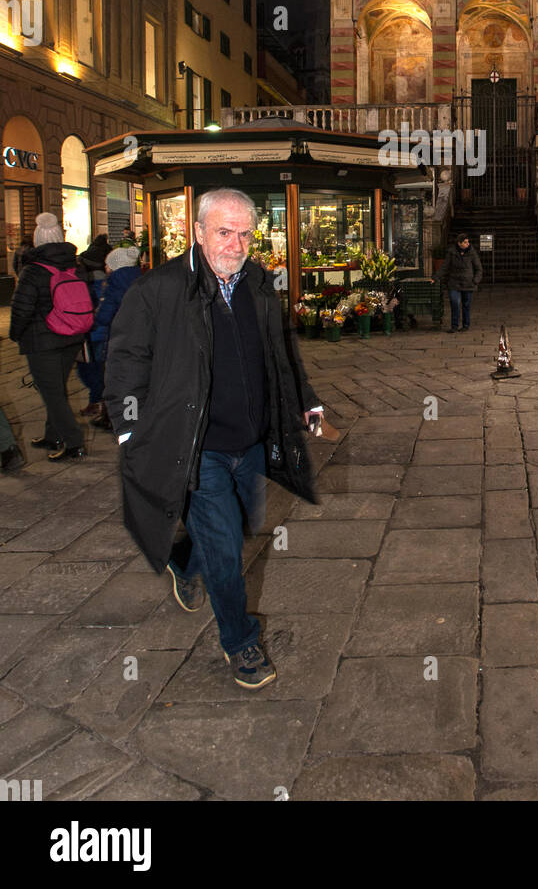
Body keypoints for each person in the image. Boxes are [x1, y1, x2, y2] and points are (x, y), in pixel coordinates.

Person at [104, 187, 323, 691]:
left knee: (240, 526)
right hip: (195, 447)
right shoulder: (157, 290)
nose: (236, 243)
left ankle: (183, 560)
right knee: (225, 550)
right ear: (197, 232)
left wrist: (305, 399)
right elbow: (125, 363)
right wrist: (131, 429)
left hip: (248, 443)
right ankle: (240, 641)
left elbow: (281, 351)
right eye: (225, 232)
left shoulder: (257, 284)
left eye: (245, 233)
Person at [9, 213, 92, 461]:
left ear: (38, 240)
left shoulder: (33, 270)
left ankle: (73, 442)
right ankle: (52, 434)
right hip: (72, 336)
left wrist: (16, 334)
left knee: (52, 393)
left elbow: (21, 308)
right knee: (56, 389)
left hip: (42, 341)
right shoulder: (75, 265)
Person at [84, 244, 143, 427]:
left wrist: (93, 319)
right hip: (139, 340)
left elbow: (105, 315)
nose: (106, 268)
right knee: (133, 382)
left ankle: (118, 418)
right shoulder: (141, 279)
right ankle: (131, 417)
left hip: (117, 340)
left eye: (108, 265)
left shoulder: (115, 283)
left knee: (114, 381)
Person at [437, 232, 483, 332]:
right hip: (454, 283)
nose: (468, 244)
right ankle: (454, 326)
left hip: (468, 283)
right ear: (459, 243)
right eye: (465, 242)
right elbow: (445, 267)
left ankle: (466, 326)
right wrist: (435, 277)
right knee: (455, 303)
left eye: (468, 242)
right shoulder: (451, 252)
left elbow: (479, 268)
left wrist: (475, 281)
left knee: (466, 305)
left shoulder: (472, 252)